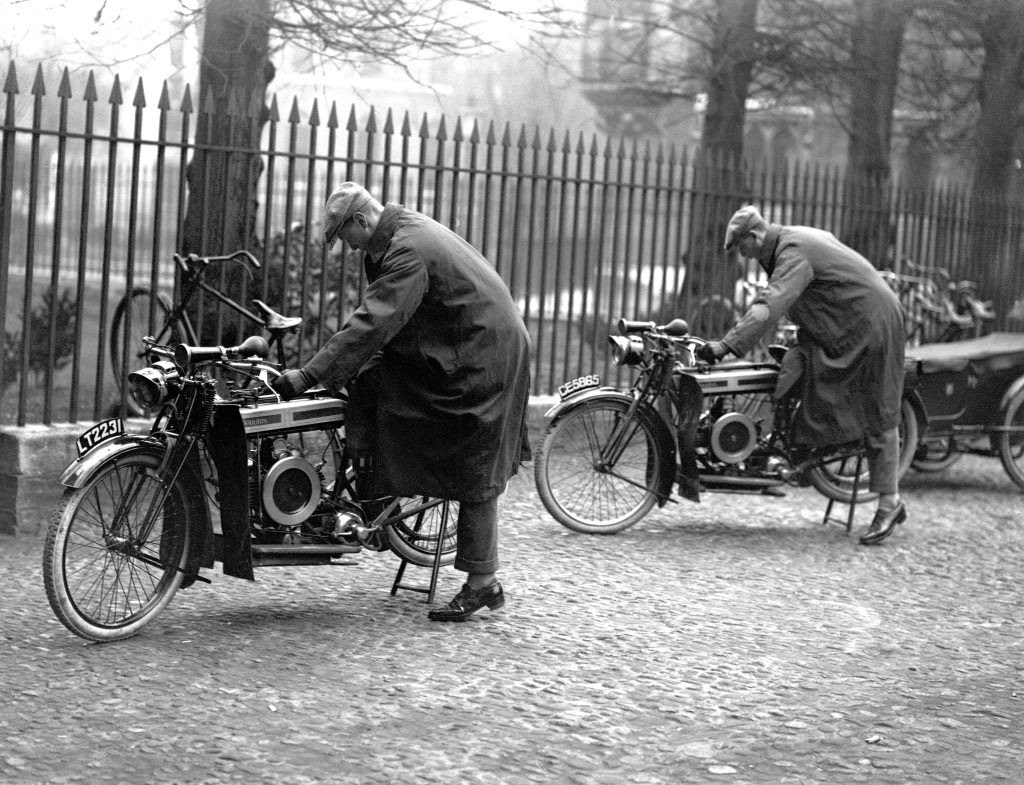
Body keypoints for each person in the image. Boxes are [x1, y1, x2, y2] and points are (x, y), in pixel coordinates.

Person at [271, 182, 532, 619]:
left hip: (483, 353)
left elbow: (374, 321)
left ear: (361, 221)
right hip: (457, 340)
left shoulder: (406, 249)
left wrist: (310, 373)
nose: (350, 250)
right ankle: (371, 493)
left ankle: (483, 582)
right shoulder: (399, 234)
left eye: (345, 238)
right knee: (371, 380)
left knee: (474, 462)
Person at [696, 205, 907, 545]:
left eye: (742, 248)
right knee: (793, 365)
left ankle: (889, 503)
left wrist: (726, 346)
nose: (745, 257)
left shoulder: (793, 252)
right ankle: (800, 449)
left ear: (755, 236)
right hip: (842, 322)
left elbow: (770, 304)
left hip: (871, 322)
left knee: (878, 410)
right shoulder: (791, 241)